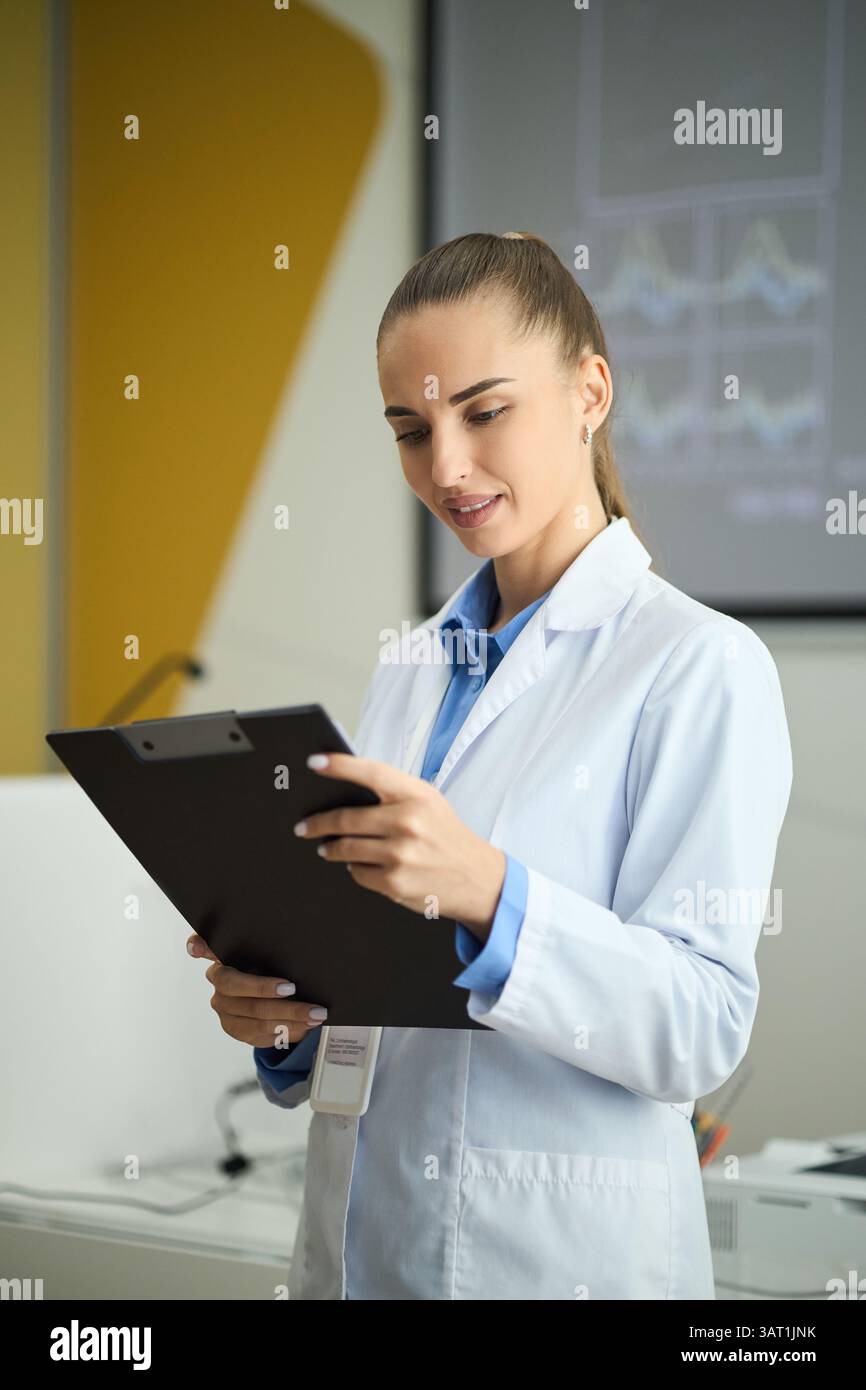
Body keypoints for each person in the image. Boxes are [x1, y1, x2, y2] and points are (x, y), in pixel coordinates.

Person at [187, 231, 793, 1300]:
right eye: (410, 429)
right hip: (358, 1254)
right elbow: (380, 987)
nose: (445, 466)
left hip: (554, 1264)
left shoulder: (698, 666)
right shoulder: (411, 668)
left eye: (484, 410)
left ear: (588, 390)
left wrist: (491, 894)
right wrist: (286, 1020)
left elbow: (700, 1027)